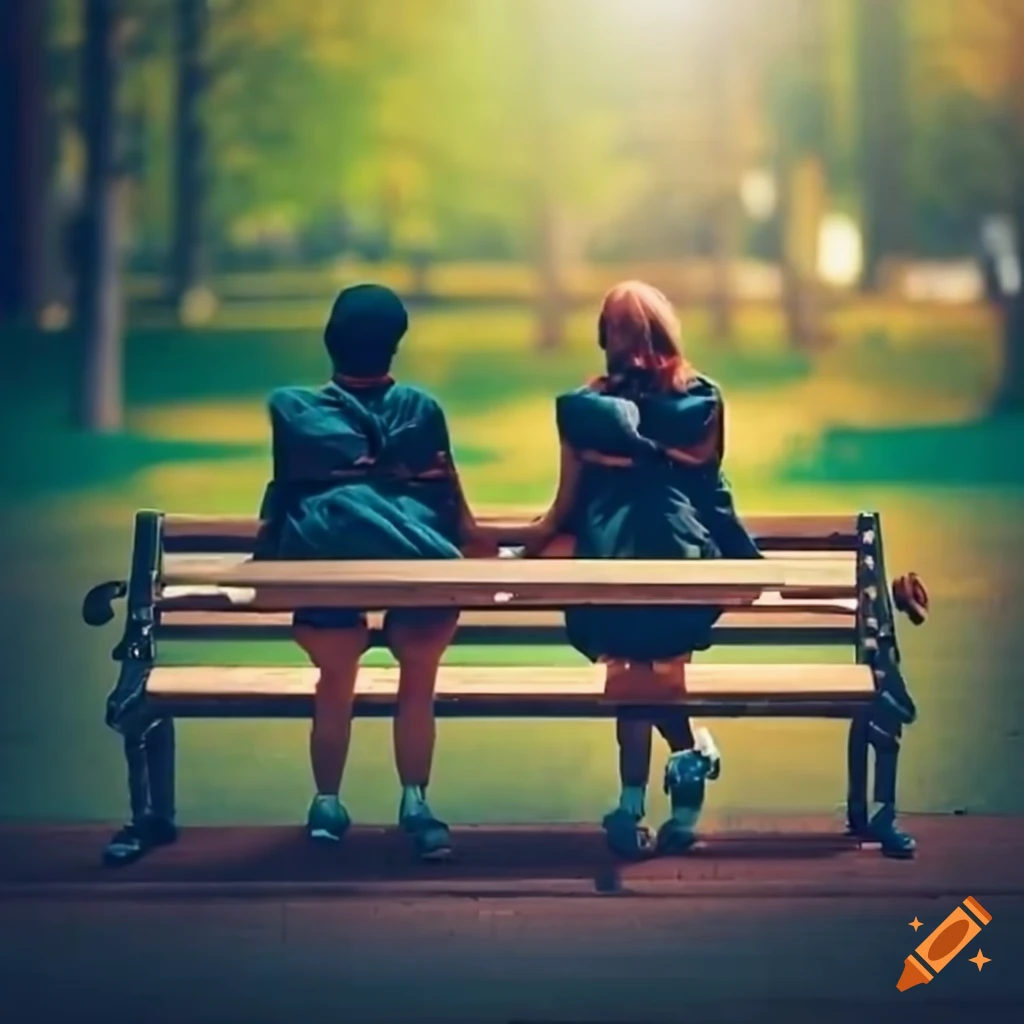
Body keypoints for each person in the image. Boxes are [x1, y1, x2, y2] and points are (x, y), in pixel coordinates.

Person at [519, 281, 763, 859]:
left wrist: (526, 545)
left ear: (607, 337)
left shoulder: (588, 406)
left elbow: (566, 505)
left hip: (640, 558)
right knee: (649, 677)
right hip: (662, 558)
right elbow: (707, 484)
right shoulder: (700, 398)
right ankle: (678, 788)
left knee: (635, 677)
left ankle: (637, 804)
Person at [254, 283, 494, 861]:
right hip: (417, 567)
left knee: (334, 680)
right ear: (395, 344)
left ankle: (327, 803)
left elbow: (284, 495)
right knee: (418, 679)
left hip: (327, 575)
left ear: (332, 341)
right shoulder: (422, 410)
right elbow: (451, 507)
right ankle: (416, 802)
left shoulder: (294, 409)